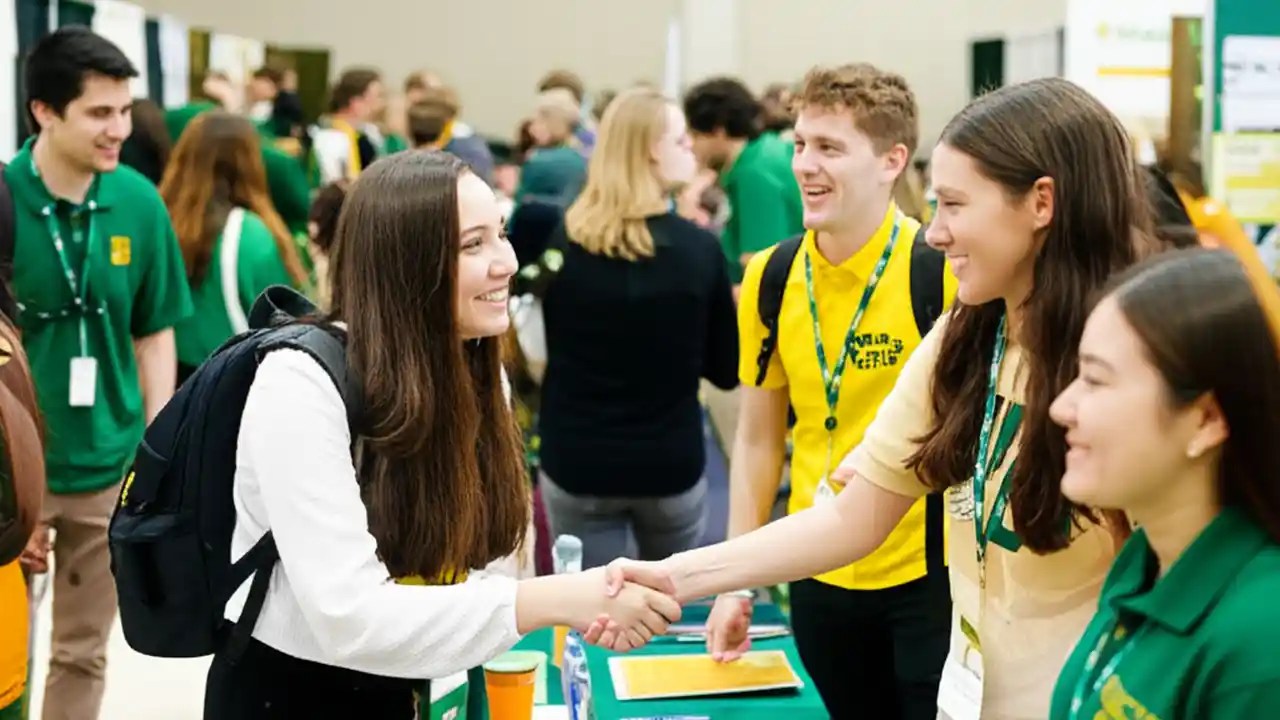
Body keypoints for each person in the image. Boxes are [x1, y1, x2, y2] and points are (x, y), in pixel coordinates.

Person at [593, 77, 1166, 720]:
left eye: (954, 205)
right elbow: (851, 517)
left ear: (1041, 203)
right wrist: (677, 578)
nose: (938, 232)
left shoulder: (1138, 356)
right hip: (971, 693)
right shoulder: (969, 333)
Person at [202, 151, 680, 719]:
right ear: (405, 264)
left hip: (437, 683)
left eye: (500, 235)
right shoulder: (301, 384)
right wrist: (556, 600)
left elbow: (489, 568)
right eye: (473, 245)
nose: (506, 262)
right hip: (295, 694)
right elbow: (346, 615)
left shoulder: (478, 369)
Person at [706, 64, 955, 719]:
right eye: (800, 144)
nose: (806, 166)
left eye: (830, 148)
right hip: (816, 567)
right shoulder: (770, 276)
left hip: (927, 577)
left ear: (891, 161)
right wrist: (736, 583)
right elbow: (759, 440)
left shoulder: (939, 273)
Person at [9, 27, 192, 720]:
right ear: (44, 112)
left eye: (124, 111)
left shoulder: (140, 203)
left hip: (107, 469)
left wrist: (153, 453)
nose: (120, 129)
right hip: (13, 472)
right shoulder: (3, 202)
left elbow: (153, 335)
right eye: (99, 114)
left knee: (81, 652)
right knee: (1, 656)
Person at [1048, 247, 1280, 718]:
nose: (1061, 407)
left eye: (1095, 380)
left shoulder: (1262, 638)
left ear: (1206, 420)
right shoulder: (1144, 562)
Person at [531, 87, 738, 570]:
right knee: (664, 611)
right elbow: (726, 369)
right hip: (668, 463)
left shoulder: (561, 241)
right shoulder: (698, 251)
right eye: (683, 142)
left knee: (588, 613)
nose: (693, 152)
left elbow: (539, 339)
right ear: (650, 150)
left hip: (578, 459)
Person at [160, 111, 310, 384]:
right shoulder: (252, 235)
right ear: (250, 160)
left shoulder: (158, 222)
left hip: (165, 386)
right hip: (233, 386)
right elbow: (287, 321)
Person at [683, 77, 803, 288]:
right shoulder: (764, 152)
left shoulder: (755, 174)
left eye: (694, 135)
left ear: (718, 132)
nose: (690, 146)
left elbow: (762, 271)